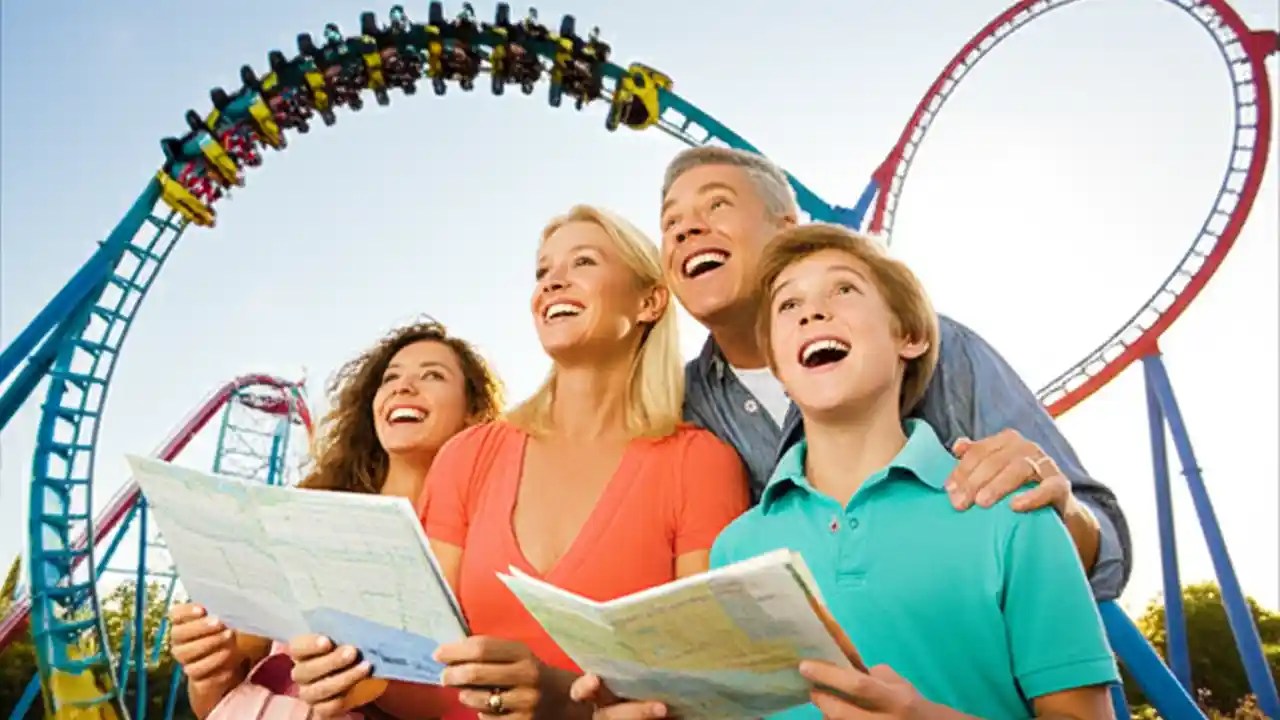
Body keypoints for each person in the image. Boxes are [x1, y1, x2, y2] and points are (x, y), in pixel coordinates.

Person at [578, 224, 1119, 719]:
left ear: (910, 335)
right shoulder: (736, 550)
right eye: (789, 305)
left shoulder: (1012, 509)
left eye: (843, 290)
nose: (813, 313)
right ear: (778, 369)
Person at [284, 204, 751, 719]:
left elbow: (710, 697)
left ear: (650, 301)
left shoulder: (701, 464)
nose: (553, 283)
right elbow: (427, 679)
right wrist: (349, 675)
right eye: (543, 272)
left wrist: (564, 702)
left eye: (584, 263)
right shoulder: (470, 456)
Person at [656, 145, 1131, 601]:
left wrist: (1054, 514)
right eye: (670, 222)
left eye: (716, 204)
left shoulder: (941, 351)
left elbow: (1105, 549)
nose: (685, 230)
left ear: (785, 230)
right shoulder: (679, 406)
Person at [165, 318, 505, 719]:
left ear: (472, 411)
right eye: (390, 378)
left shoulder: (487, 539)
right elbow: (220, 701)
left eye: (432, 375)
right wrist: (208, 669)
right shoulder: (304, 511)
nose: (403, 386)